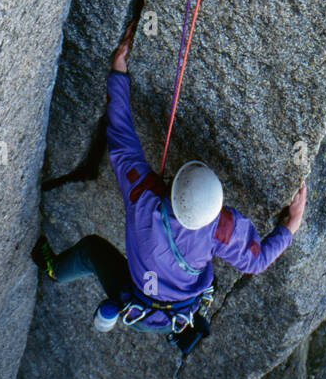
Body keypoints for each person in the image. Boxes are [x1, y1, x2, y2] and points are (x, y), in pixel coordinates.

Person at [32, 21, 307, 354]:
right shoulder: (220, 230)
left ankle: (55, 272)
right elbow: (256, 261)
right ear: (217, 206)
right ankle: (141, 319)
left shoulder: (143, 195)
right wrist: (289, 227)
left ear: (176, 183)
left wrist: (118, 71)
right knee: (185, 283)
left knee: (92, 250)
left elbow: (120, 138)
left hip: (142, 296)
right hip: (177, 309)